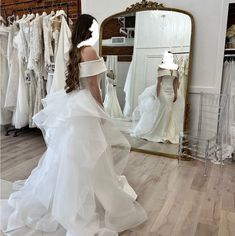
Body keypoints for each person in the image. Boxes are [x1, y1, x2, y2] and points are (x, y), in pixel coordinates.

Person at [0, 14, 147, 236]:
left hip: (76, 104)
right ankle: (81, 201)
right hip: (86, 105)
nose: (97, 32)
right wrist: (100, 111)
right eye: (95, 28)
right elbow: (92, 85)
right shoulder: (88, 50)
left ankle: (71, 195)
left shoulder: (76, 49)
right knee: (88, 154)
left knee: (76, 155)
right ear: (88, 29)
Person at [132, 51, 184, 143]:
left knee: (170, 111)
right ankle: (159, 132)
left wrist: (176, 93)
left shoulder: (176, 67)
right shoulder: (161, 67)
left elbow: (176, 82)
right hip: (163, 92)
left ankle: (168, 133)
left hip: (171, 92)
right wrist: (157, 94)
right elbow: (159, 82)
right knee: (165, 110)